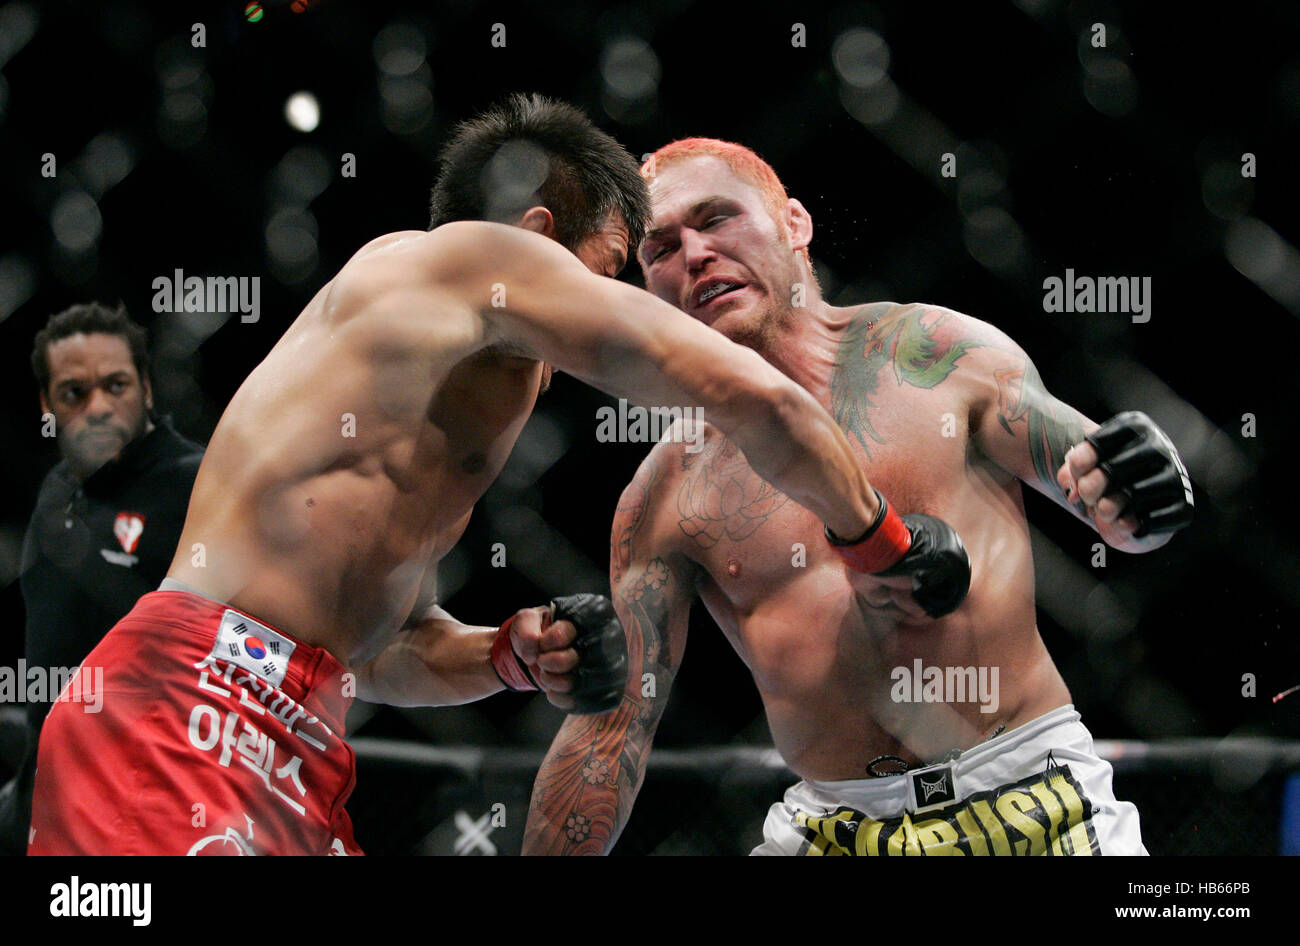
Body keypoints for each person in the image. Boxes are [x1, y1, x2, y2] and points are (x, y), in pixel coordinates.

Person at [28, 98, 967, 856]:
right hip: (188, 711)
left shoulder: (415, 385)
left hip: (297, 737)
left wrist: (508, 653)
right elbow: (741, 390)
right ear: (538, 232)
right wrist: (877, 536)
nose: (588, 331)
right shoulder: (478, 261)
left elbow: (377, 650)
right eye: (607, 272)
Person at [523, 138, 1194, 856]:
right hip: (835, 828)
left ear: (795, 225)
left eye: (716, 219)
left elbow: (1114, 501)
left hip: (1033, 795)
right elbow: (612, 729)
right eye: (659, 249)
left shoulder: (935, 356)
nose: (692, 255)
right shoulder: (665, 494)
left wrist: (1150, 484)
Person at [0, 302, 203, 855]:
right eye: (74, 393)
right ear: (47, 404)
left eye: (116, 386)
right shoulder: (58, 490)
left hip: (150, 810)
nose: (97, 408)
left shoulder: (200, 490)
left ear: (148, 390)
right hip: (45, 798)